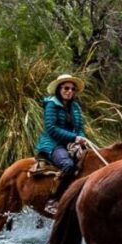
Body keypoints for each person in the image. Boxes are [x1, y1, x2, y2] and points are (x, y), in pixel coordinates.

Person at [35, 73, 87, 215]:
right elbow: (51, 129)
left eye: (72, 89)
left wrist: (81, 138)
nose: (69, 91)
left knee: (89, 160)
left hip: (71, 143)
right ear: (59, 89)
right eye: (66, 88)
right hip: (53, 144)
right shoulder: (51, 104)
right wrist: (74, 138)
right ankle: (53, 200)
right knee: (68, 164)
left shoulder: (75, 106)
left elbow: (80, 128)